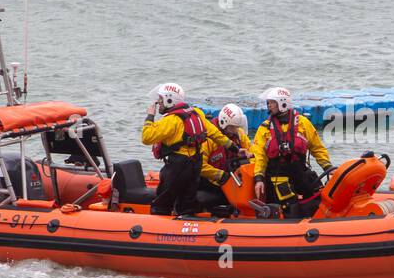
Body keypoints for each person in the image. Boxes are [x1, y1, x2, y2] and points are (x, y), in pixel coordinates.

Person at [141, 82, 231, 216]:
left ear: (169, 99)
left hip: (177, 165)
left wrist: (150, 116)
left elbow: (146, 137)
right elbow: (214, 133)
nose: (158, 103)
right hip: (196, 163)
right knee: (187, 202)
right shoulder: (197, 113)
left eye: (160, 99)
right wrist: (233, 146)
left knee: (162, 204)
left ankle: (157, 230)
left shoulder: (171, 120)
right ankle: (187, 228)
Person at [251, 87, 334, 218]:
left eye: (272, 102)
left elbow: (317, 148)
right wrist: (259, 178)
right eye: (268, 102)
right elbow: (259, 157)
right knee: (291, 207)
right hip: (277, 177)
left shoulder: (303, 123)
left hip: (300, 171)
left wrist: (328, 168)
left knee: (320, 196)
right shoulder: (264, 129)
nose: (269, 106)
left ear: (282, 103)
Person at [194, 103, 253, 216]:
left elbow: (251, 151)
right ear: (223, 123)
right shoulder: (208, 139)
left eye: (237, 127)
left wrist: (249, 155)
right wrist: (221, 175)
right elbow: (200, 165)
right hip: (213, 183)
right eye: (233, 127)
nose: (236, 130)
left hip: (234, 181)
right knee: (202, 199)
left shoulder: (239, 134)